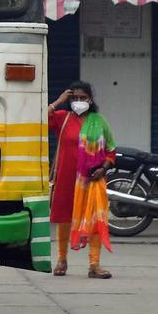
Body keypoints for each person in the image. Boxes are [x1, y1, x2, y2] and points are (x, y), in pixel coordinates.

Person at [48, 81, 116, 279]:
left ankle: (94, 265)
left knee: (94, 219)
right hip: (66, 178)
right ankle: (62, 259)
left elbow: (111, 150)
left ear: (90, 99)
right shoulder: (63, 118)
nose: (78, 102)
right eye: (74, 98)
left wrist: (103, 168)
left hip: (92, 179)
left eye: (82, 98)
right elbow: (38, 120)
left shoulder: (100, 121)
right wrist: (58, 102)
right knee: (63, 219)